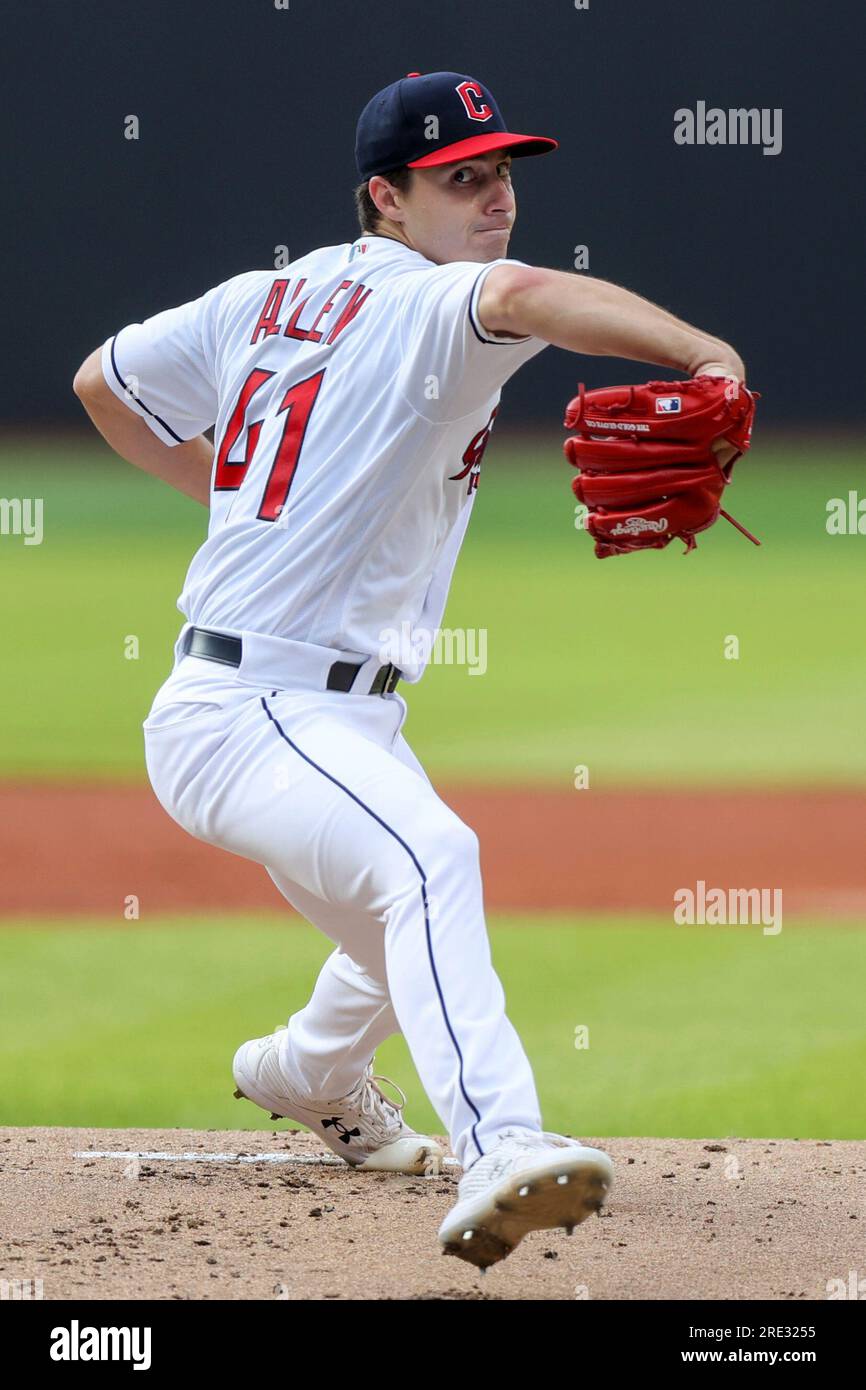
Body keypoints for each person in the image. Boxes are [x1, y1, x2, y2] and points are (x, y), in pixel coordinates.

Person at [73, 70, 746, 1270]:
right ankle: (501, 1146)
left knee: (402, 931)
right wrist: (706, 348)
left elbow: (102, 383)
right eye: (461, 178)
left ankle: (305, 1071)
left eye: (502, 174)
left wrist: (227, 505)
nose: (495, 198)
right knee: (434, 861)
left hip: (308, 712)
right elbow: (532, 295)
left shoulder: (263, 293)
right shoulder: (430, 304)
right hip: (254, 709)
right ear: (386, 197)